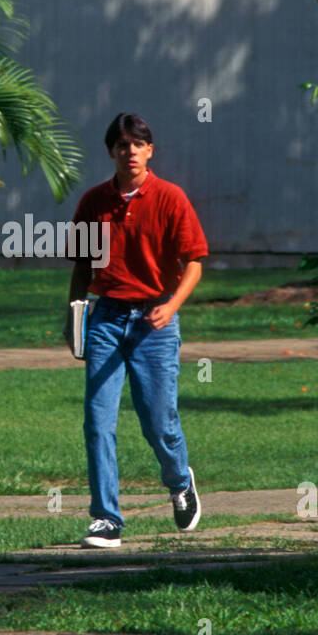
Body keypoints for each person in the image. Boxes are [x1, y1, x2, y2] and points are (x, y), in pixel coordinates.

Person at [65, 112, 208, 548]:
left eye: (138, 145)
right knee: (97, 420)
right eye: (122, 145)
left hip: (154, 322)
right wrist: (74, 314)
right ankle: (107, 518)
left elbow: (195, 264)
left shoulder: (170, 197)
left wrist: (171, 306)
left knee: (158, 421)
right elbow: (83, 266)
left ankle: (181, 481)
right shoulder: (94, 202)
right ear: (111, 151)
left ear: (150, 150)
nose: (130, 152)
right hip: (106, 317)